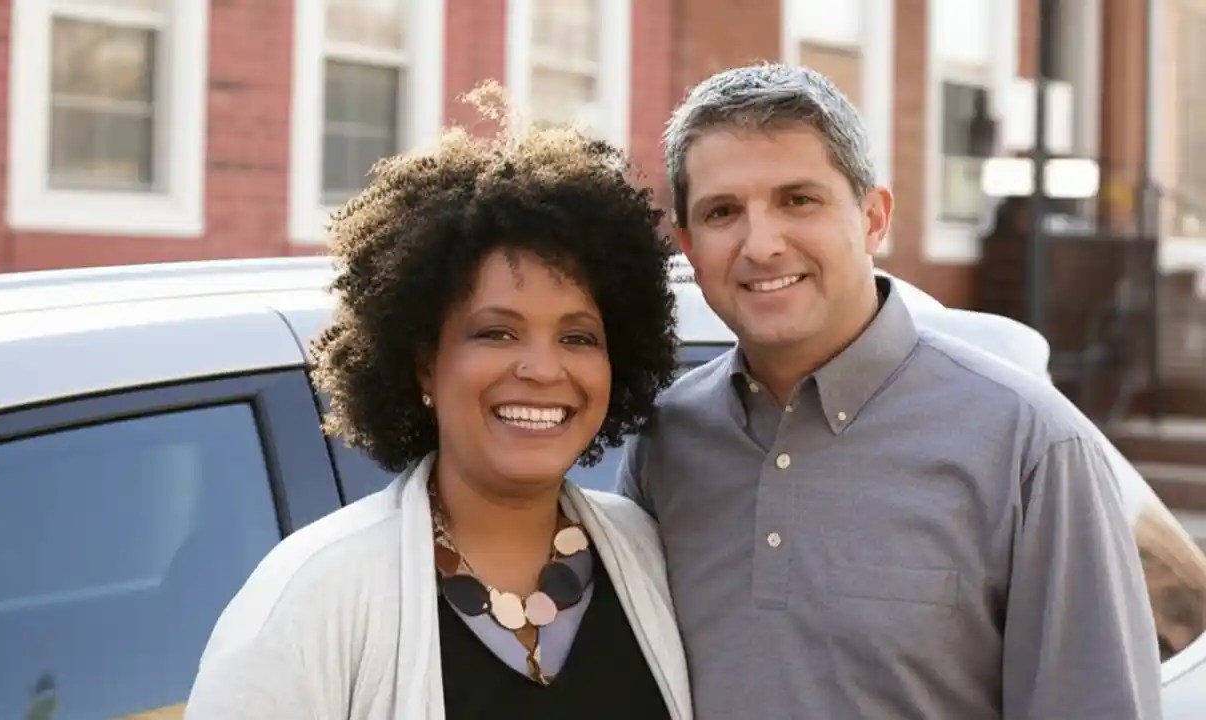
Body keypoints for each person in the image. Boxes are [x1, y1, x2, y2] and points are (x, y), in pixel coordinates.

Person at [617, 62, 1162, 719]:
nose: (761, 244)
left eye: (798, 200)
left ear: (874, 217)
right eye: (723, 211)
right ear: (689, 246)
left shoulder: (1030, 444)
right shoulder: (666, 441)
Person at [184, 118, 692, 719]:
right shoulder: (313, 595)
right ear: (426, 364)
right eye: (497, 332)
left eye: (578, 337)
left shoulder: (651, 553)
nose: (542, 368)